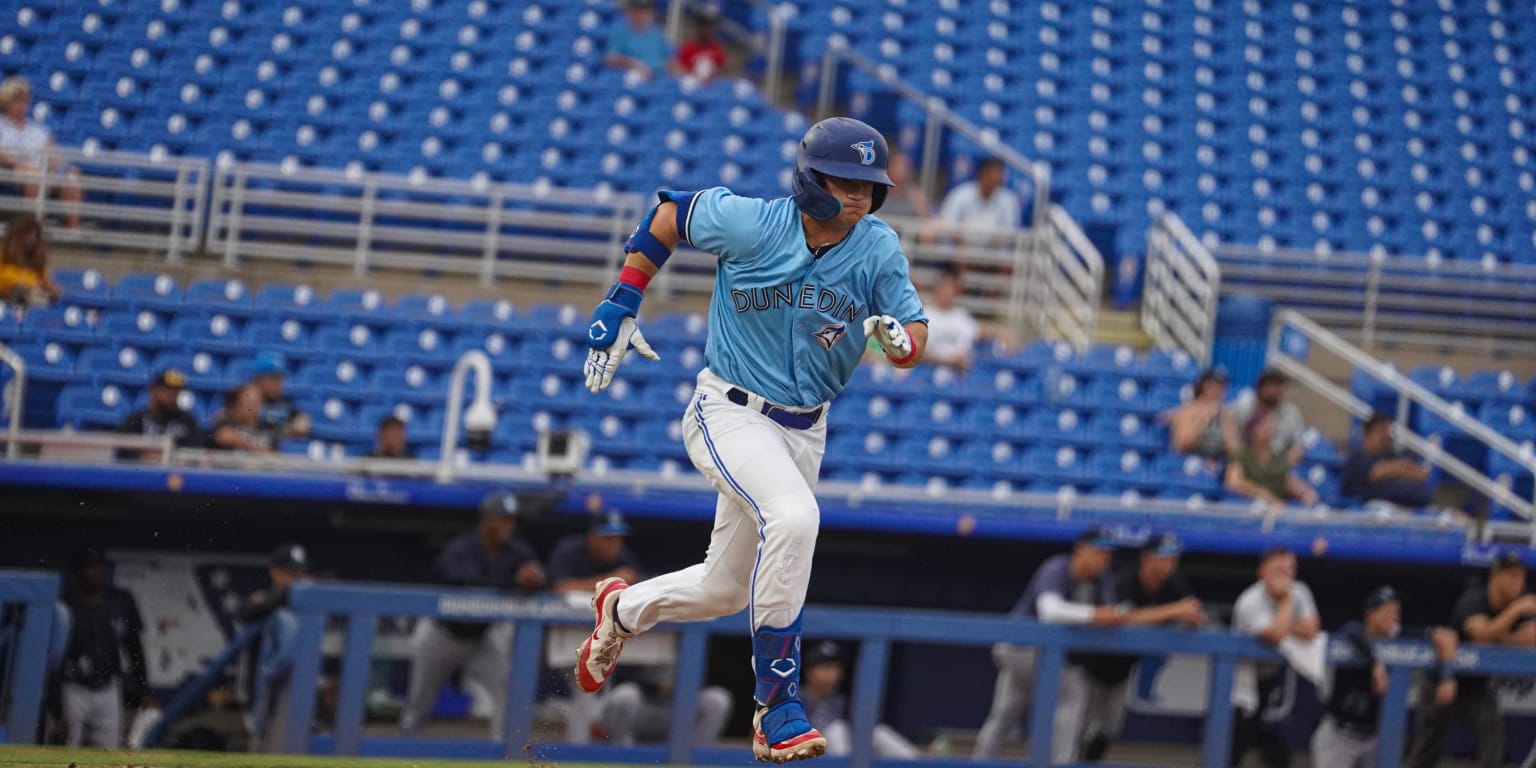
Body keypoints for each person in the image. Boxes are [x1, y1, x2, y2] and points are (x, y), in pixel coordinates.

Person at [577, 116, 928, 763]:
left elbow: (913, 334)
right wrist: (623, 298)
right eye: (843, 180)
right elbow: (669, 215)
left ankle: (622, 609)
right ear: (809, 177)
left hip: (805, 430)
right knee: (794, 519)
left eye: (867, 185)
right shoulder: (753, 222)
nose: (856, 195)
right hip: (731, 409)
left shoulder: (877, 246)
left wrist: (900, 342)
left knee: (725, 590)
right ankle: (776, 704)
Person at [973, 528, 1205, 763]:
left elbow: (1115, 616)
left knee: (1006, 712)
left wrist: (1111, 616)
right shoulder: (1058, 567)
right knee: (1072, 694)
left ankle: (983, 761)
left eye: (1106, 554)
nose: (1102, 559)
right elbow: (1050, 611)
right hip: (1020, 647)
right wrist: (1096, 615)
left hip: (1054, 655)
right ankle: (1058, 762)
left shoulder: (1102, 579)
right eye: (1097, 552)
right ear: (1080, 551)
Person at [401, 491, 546, 739]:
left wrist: (535, 579)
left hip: (480, 640)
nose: (508, 526)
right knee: (419, 704)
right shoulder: (462, 548)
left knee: (507, 685)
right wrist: (513, 581)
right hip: (441, 636)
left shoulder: (516, 550)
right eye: (502, 519)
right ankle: (402, 753)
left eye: (511, 521)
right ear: (487, 520)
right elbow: (463, 581)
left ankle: (505, 750)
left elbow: (539, 575)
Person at [1073, 533, 1204, 762]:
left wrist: (1189, 618)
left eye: (1173, 558)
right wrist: (1173, 611)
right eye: (1163, 557)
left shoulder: (1175, 584)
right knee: (1076, 726)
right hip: (1088, 665)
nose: (1169, 563)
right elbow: (1122, 618)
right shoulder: (1125, 581)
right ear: (1146, 558)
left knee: (1108, 729)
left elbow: (1194, 613)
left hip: (1122, 670)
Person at [1405, 550, 1536, 768]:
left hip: (1475, 687)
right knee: (1430, 742)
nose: (1518, 582)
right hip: (1442, 680)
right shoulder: (1475, 598)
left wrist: (1499, 635)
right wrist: (1514, 613)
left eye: (1521, 577)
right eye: (1512, 576)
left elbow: (1531, 637)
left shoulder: (1518, 602)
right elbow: (1480, 635)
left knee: (1491, 726)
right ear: (1496, 576)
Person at [1230, 548, 1321, 768]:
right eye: (1279, 570)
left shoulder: (1300, 590)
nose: (1286, 576)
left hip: (1270, 681)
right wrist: (1288, 601)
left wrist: (1284, 618)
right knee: (1232, 750)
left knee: (1276, 750)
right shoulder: (1249, 601)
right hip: (1240, 686)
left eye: (1290, 570)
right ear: (1262, 572)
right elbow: (1275, 634)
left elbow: (1311, 629)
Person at [57, 546, 149, 748]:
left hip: (108, 686)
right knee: (67, 746)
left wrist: (143, 689)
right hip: (73, 686)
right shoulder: (65, 606)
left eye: (99, 567)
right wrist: (55, 705)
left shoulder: (121, 600)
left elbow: (134, 647)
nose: (97, 572)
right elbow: (53, 657)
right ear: (78, 573)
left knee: (109, 750)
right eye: (91, 567)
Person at [1311, 586, 1410, 768]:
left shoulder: (1398, 643)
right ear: (1370, 616)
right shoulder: (1354, 637)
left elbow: (1423, 635)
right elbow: (1350, 628)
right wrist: (1375, 662)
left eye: (1397, 612)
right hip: (1339, 735)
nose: (1394, 617)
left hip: (1374, 737)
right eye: (1387, 611)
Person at [237, 543, 311, 753]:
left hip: (295, 691)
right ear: (274, 572)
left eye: (299, 572)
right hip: (262, 688)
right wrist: (284, 594)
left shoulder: (308, 607)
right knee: (263, 747)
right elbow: (245, 611)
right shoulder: (264, 598)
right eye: (290, 573)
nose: (296, 578)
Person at [800, 640, 919, 758]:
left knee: (878, 732)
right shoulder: (794, 698)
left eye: (836, 668)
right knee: (836, 731)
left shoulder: (842, 702)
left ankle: (919, 762)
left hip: (839, 755)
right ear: (809, 672)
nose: (832, 674)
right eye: (826, 667)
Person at [0, 76, 82, 229]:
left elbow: (55, 153)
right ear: (6, 102)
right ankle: (39, 227)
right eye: (16, 100)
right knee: (33, 177)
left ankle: (73, 229)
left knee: (71, 177)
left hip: (43, 171)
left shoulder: (38, 129)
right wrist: (21, 165)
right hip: (14, 171)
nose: (21, 105)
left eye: (24, 100)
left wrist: (57, 166)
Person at [601, 666, 734, 746]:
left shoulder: (698, 619)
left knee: (717, 700)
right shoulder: (636, 622)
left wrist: (686, 685)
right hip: (644, 705)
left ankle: (694, 759)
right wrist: (653, 685)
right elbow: (621, 672)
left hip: (683, 708)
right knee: (624, 695)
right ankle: (622, 757)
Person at [1226, 412, 1319, 507]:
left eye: (1270, 426)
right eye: (1264, 425)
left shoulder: (1276, 456)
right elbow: (1234, 482)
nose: (1269, 429)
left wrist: (1304, 492)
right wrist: (1264, 495)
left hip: (1278, 506)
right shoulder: (1243, 454)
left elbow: (1289, 481)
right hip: (1250, 504)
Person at [1340, 413, 1433, 509]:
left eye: (1388, 431)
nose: (1386, 436)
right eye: (1381, 431)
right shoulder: (1358, 457)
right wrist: (1402, 468)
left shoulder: (1389, 455)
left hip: (1406, 507)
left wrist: (1397, 468)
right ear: (1367, 434)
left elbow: (1422, 475)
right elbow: (1377, 472)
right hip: (1367, 510)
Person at [548, 509, 645, 595]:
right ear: (592, 537)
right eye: (608, 538)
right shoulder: (569, 550)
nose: (614, 544)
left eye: (618, 538)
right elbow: (561, 588)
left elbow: (642, 587)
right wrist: (611, 581)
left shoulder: (623, 555)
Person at [1232, 369, 1307, 466]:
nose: (1274, 390)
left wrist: (1296, 450)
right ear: (1260, 388)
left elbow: (1299, 440)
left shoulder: (1291, 412)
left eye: (1279, 386)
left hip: (1276, 462)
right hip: (1245, 457)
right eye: (1271, 386)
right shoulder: (1246, 405)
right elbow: (1231, 433)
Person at [936, 157, 1023, 237]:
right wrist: (961, 247)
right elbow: (948, 224)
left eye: (1001, 172)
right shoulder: (959, 195)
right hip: (959, 250)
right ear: (983, 174)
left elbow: (1010, 232)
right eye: (995, 172)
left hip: (994, 251)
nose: (999, 177)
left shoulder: (1008, 200)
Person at [119, 369, 203, 450]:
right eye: (168, 390)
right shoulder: (136, 421)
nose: (173, 395)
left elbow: (194, 450)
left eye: (177, 391)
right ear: (153, 391)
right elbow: (125, 453)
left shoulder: (187, 422)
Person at [1167, 368, 1237, 462]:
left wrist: (1227, 423)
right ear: (1203, 386)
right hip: (1189, 463)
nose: (1218, 391)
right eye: (1214, 386)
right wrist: (1205, 419)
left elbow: (1234, 450)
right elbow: (1181, 445)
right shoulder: (1187, 411)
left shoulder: (1226, 413)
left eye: (1222, 387)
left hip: (1216, 463)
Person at [921, 267, 980, 372]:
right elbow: (917, 353)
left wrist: (1002, 333)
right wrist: (948, 362)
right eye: (946, 287)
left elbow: (980, 330)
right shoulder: (923, 316)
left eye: (953, 288)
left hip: (959, 376)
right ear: (937, 288)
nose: (949, 292)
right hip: (928, 373)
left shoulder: (962, 317)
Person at [0, 211, 61, 307]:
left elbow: (44, 281)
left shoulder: (37, 260)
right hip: (6, 298)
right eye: (28, 234)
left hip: (32, 297)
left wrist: (51, 289)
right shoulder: (3, 253)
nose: (32, 238)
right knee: (20, 292)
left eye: (35, 235)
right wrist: (25, 285)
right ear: (17, 235)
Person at [605, 0, 673, 80]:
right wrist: (633, 64)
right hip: (631, 79)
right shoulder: (620, 31)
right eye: (639, 11)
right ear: (631, 12)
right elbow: (610, 58)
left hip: (659, 80)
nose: (642, 15)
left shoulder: (657, 34)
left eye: (646, 11)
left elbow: (669, 61)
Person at [251, 352, 310, 440]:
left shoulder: (284, 402)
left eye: (280, 378)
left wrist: (293, 427)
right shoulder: (247, 400)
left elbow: (302, 422)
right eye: (272, 378)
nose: (277, 383)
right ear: (259, 378)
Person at [210, 384, 278, 453]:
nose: (252, 408)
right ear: (236, 404)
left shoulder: (268, 427)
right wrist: (254, 447)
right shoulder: (227, 422)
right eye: (248, 403)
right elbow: (222, 436)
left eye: (256, 402)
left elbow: (275, 454)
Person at [675, 5, 726, 81]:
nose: (707, 29)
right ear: (698, 26)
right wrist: (692, 73)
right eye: (703, 24)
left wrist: (713, 72)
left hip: (711, 87)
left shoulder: (717, 48)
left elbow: (724, 70)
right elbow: (676, 67)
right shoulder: (687, 47)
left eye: (710, 25)